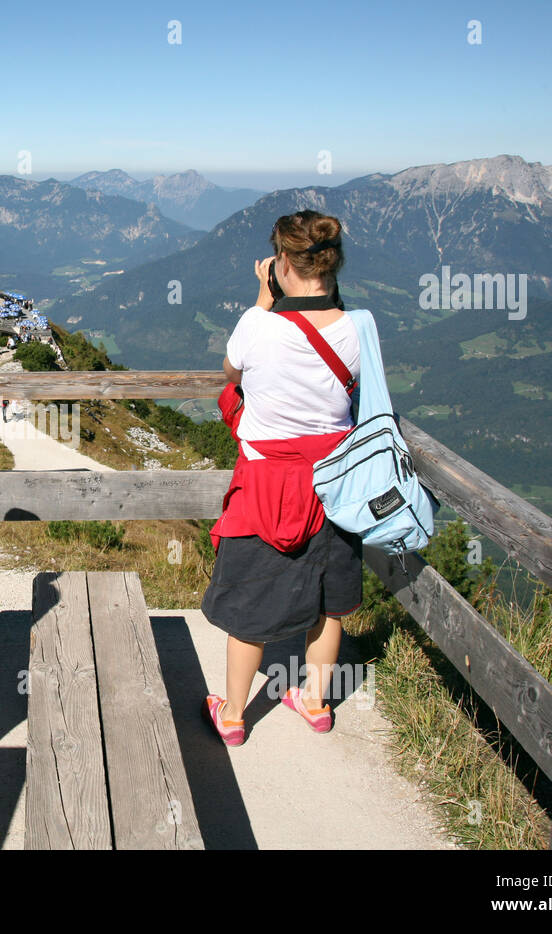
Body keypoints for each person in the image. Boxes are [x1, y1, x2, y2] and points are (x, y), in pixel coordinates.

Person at [200, 210, 365, 746]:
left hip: (266, 488)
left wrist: (265, 296)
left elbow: (232, 372)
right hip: (335, 484)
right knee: (329, 601)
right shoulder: (358, 327)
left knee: (249, 606)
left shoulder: (258, 325)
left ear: (283, 262)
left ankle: (232, 714)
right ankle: (315, 702)